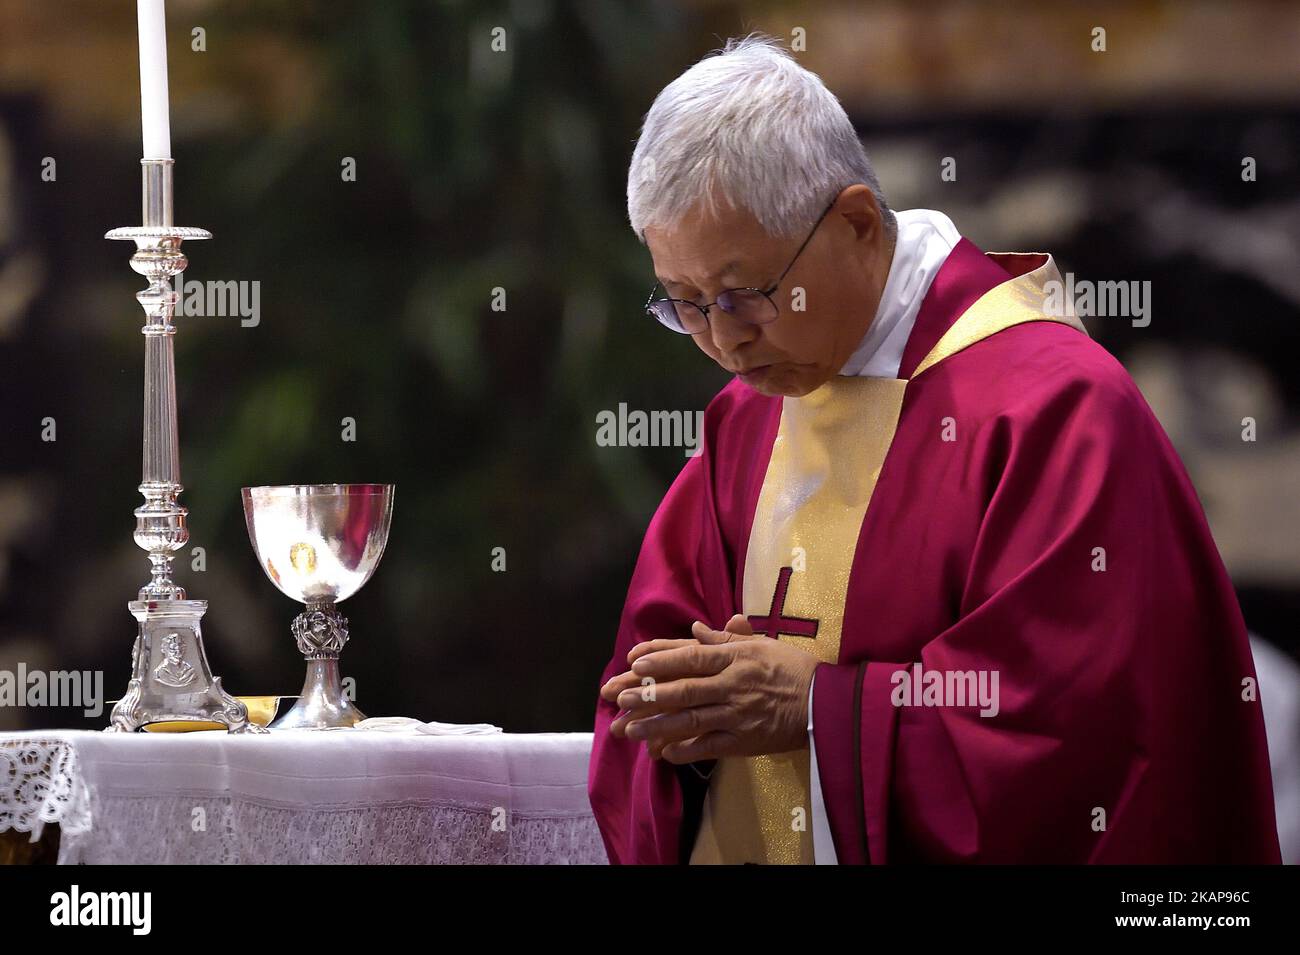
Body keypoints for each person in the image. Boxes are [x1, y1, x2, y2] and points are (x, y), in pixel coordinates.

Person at [588, 34, 1281, 864]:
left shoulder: (1053, 410)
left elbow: (1081, 743)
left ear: (854, 222)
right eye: (684, 303)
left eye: (746, 294)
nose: (723, 340)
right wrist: (680, 721)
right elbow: (639, 697)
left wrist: (819, 709)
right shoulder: (745, 423)